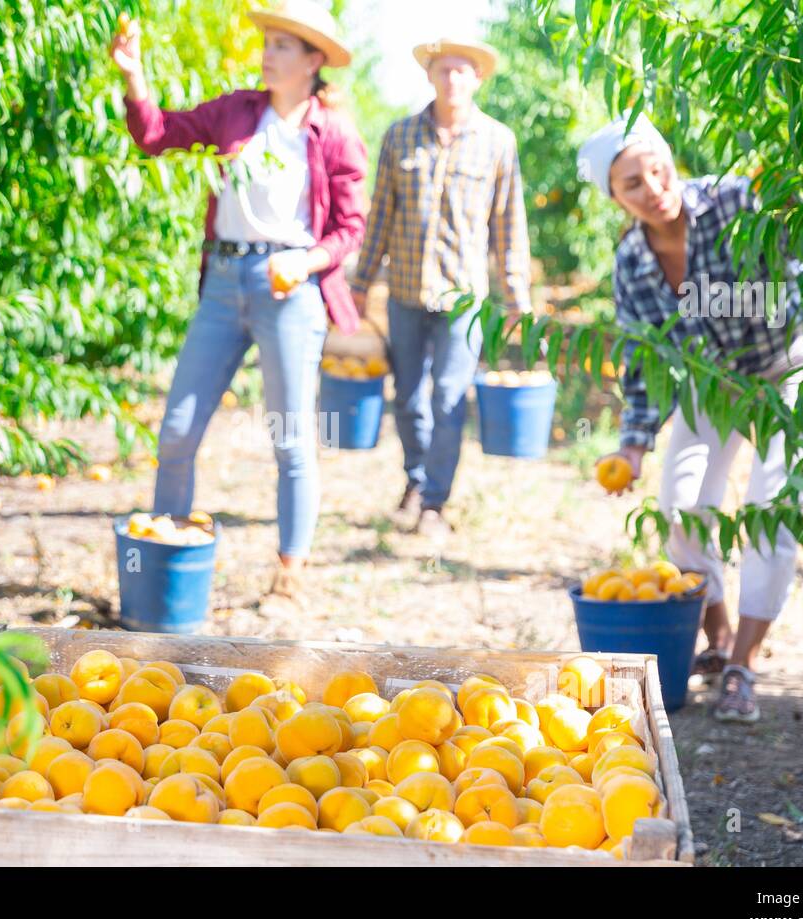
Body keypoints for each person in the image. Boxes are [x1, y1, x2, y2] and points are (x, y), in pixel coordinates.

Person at [579, 115, 803, 723]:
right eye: (632, 184)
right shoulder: (632, 263)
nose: (653, 187)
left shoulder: (731, 200)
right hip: (719, 379)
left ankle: (745, 667)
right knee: (681, 502)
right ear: (615, 199)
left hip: (793, 365)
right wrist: (634, 446)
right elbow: (643, 360)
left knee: (770, 507)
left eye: (656, 168)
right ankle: (718, 641)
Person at [112, 0, 367, 605]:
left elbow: (349, 230)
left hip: (290, 289)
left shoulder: (332, 132)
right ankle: (168, 553)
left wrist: (303, 261)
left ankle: (291, 570)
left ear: (313, 61)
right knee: (176, 428)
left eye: (282, 45)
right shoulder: (236, 112)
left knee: (290, 434)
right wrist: (133, 77)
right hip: (225, 281)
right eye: (268, 42)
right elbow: (156, 136)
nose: (268, 53)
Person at [351, 37, 532, 539]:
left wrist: (517, 297)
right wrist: (361, 282)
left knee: (449, 396)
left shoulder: (498, 141)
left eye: (462, 71)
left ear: (477, 79)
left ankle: (434, 501)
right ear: (430, 76)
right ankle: (414, 480)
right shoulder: (400, 136)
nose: (452, 79)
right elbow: (380, 215)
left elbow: (508, 225)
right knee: (407, 395)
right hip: (407, 289)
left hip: (463, 298)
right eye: (444, 70)